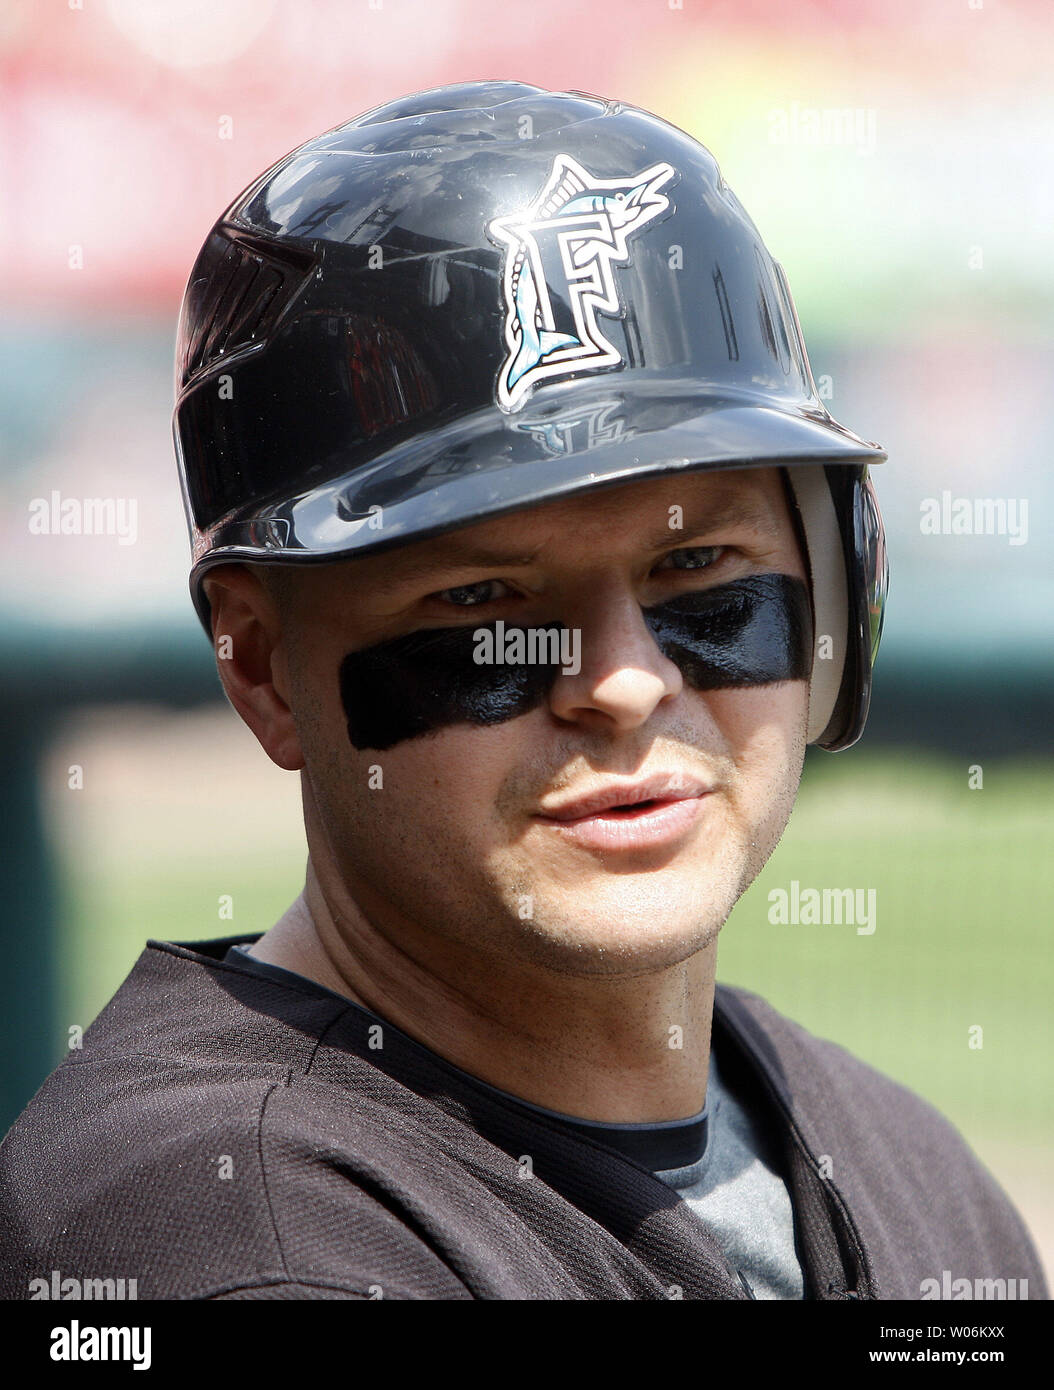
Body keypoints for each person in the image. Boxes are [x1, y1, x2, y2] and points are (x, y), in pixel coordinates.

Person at [0, 80, 1044, 1302]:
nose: (619, 682)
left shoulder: (910, 1170)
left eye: (696, 565)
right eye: (484, 600)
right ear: (260, 664)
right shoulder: (227, 1234)